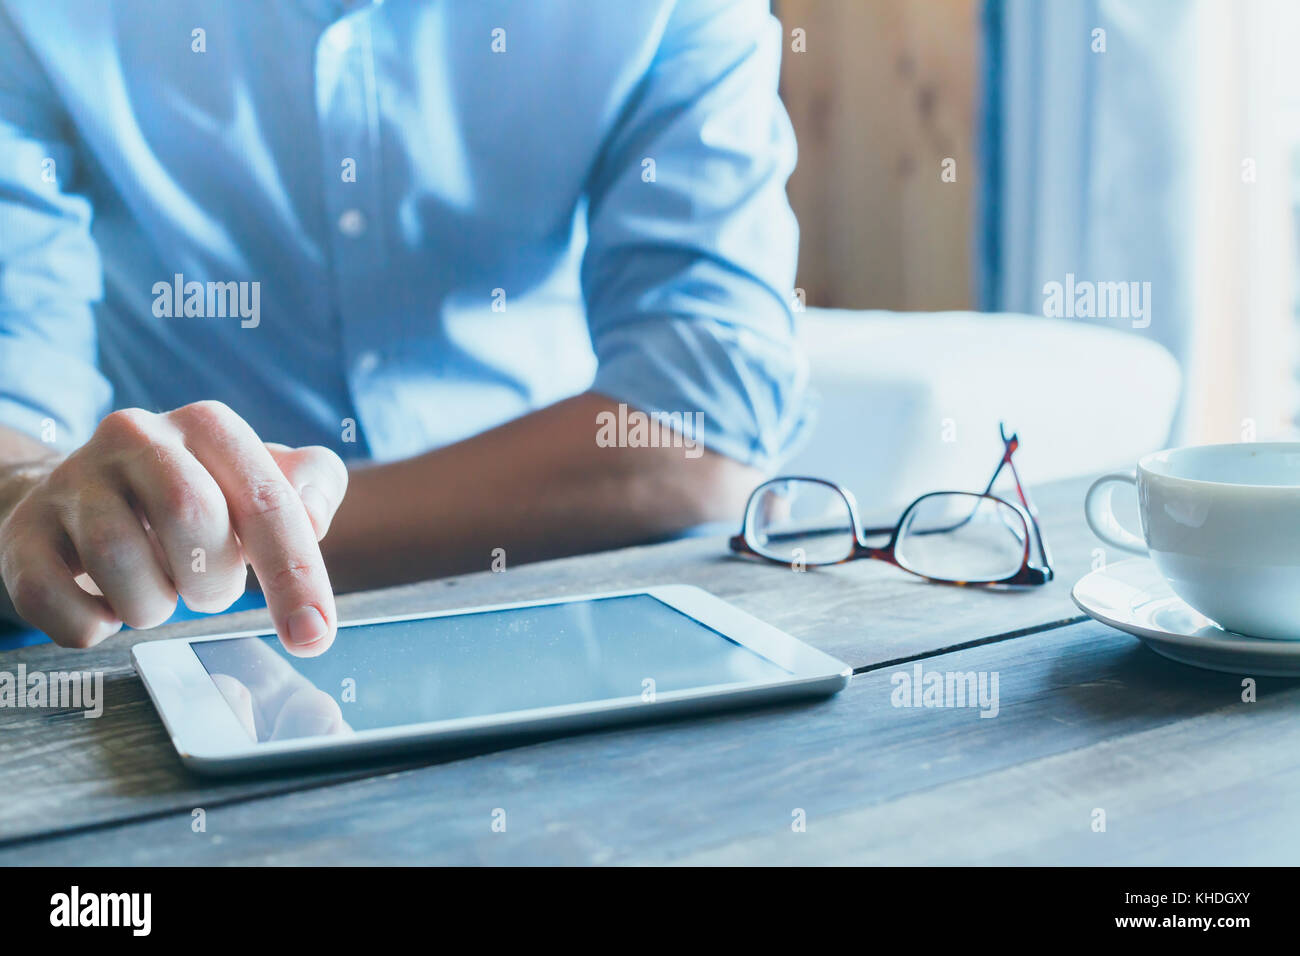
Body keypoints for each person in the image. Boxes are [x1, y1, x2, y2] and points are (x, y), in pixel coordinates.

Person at [0, 0, 808, 655]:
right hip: (161, 634)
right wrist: (38, 499)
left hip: (560, 608)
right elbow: (16, 394)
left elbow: (694, 432)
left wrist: (241, 531)